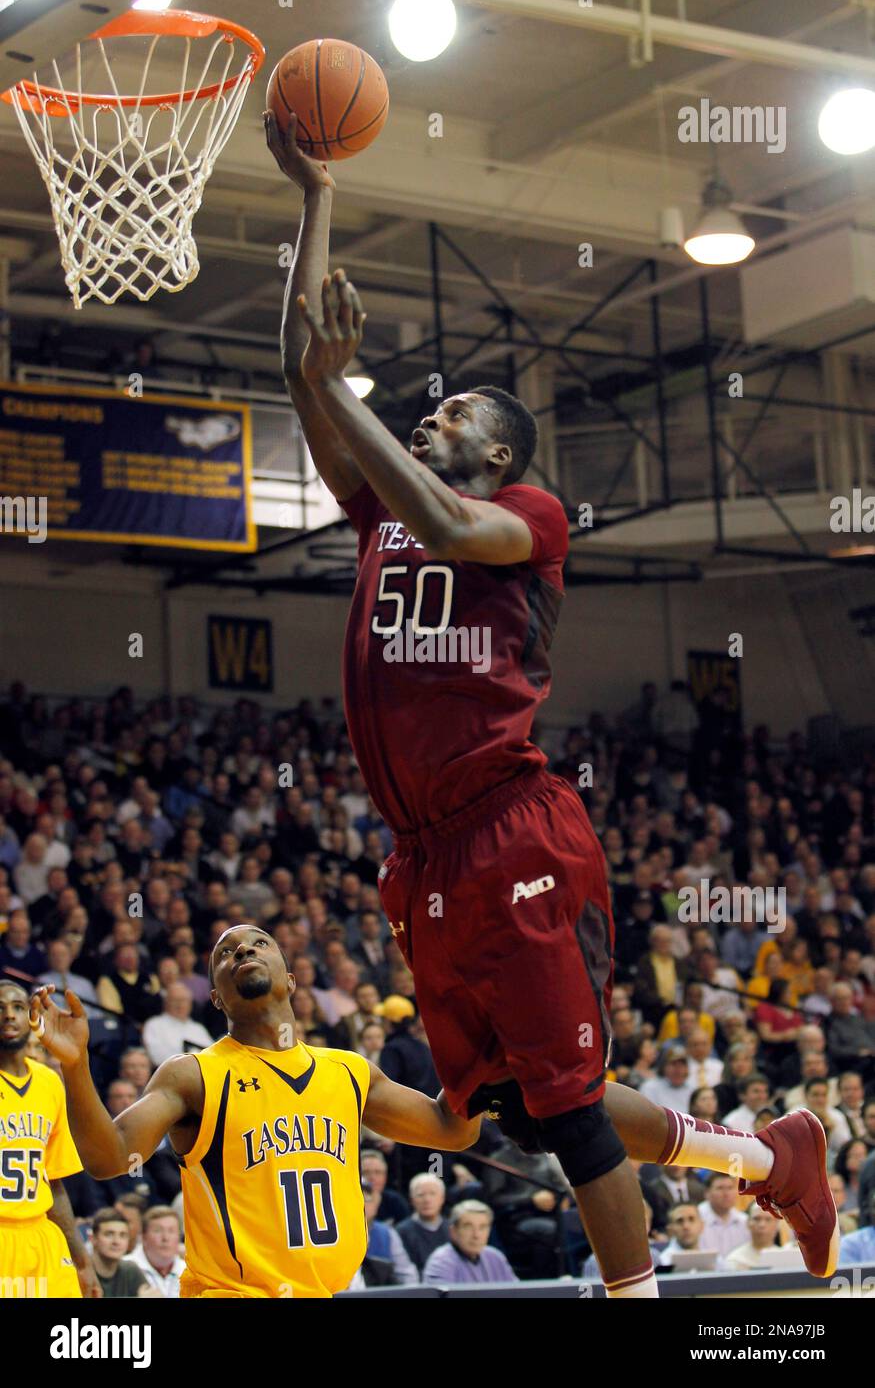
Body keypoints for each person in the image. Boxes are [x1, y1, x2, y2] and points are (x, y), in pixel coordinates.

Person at [263, 109, 841, 1290]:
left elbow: (436, 513)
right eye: (428, 409)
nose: (432, 418)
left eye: (455, 413)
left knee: (568, 1108)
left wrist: (348, 394)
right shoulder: (378, 510)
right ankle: (760, 1154)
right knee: (518, 1112)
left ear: (501, 453)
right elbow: (300, 380)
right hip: (422, 853)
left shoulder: (527, 518)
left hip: (510, 828)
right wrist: (314, 202)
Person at [29, 923, 480, 1298]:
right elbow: (110, 1160)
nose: (243, 948)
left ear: (292, 979)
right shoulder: (193, 1075)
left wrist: (479, 1031)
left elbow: (452, 1131)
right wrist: (76, 1066)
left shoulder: (349, 1071)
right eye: (225, 953)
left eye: (260, 943)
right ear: (217, 1000)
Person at [0, 979, 98, 1297]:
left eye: (17, 1007)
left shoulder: (49, 1082)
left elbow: (55, 1183)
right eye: (0, 1009)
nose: (9, 1016)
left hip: (42, 1234)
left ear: (32, 1016)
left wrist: (82, 1261)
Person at [422, 1200, 517, 1285]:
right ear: (453, 1231)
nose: (476, 1235)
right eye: (468, 1227)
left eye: (482, 1227)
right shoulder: (441, 1262)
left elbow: (516, 1293)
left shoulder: (496, 1257)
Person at [141, 982, 214, 1068]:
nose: (180, 1005)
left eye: (184, 1000)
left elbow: (212, 1055)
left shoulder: (198, 1028)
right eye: (175, 1000)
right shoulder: (154, 1025)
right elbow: (157, 1057)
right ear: (166, 1002)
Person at [88, 1206, 151, 1298]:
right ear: (93, 1239)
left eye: (123, 1235)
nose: (116, 1241)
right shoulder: (80, 1271)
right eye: (109, 1234)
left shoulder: (130, 1270)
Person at [396, 1173, 451, 1274]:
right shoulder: (401, 1231)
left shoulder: (452, 1229)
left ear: (442, 1198)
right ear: (411, 1200)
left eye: (432, 1194)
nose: (427, 1200)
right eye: (421, 1195)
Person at [724, 1203, 802, 1271]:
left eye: (768, 1219)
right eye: (757, 1219)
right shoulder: (736, 1259)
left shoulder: (787, 1257)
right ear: (748, 1223)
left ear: (777, 1224)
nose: (762, 1225)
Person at [128, 1205, 185, 1297]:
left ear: (179, 1237)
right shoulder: (125, 1268)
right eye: (157, 1231)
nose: (165, 1238)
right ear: (143, 1237)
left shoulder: (189, 1271)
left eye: (171, 1231)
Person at [697, 1173, 749, 1261]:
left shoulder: (745, 1220)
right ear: (707, 1193)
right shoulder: (694, 1218)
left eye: (730, 1188)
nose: (726, 1194)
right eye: (720, 1188)